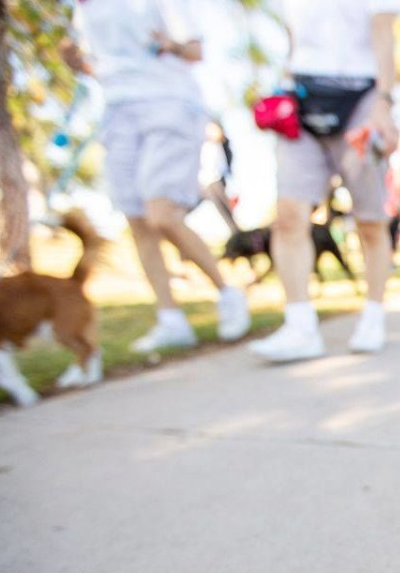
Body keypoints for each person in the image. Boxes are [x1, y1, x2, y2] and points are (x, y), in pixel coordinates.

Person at [61, 0, 250, 354]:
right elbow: (98, 65)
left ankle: (228, 293)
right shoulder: (84, 8)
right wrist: (76, 63)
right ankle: (170, 318)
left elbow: (195, 50)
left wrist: (171, 45)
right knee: (137, 219)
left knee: (161, 214)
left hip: (169, 103)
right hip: (117, 110)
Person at [248, 0, 400, 361]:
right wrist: (282, 87)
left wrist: (384, 102)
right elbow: (295, 39)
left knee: (369, 220)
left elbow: (383, 33)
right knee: (288, 213)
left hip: (362, 94)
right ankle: (300, 325)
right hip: (303, 94)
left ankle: (373, 313)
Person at [200, 119, 239, 233]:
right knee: (221, 210)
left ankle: (237, 233)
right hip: (206, 182)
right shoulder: (203, 145)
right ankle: (235, 233)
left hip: (217, 180)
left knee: (227, 208)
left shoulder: (218, 145)